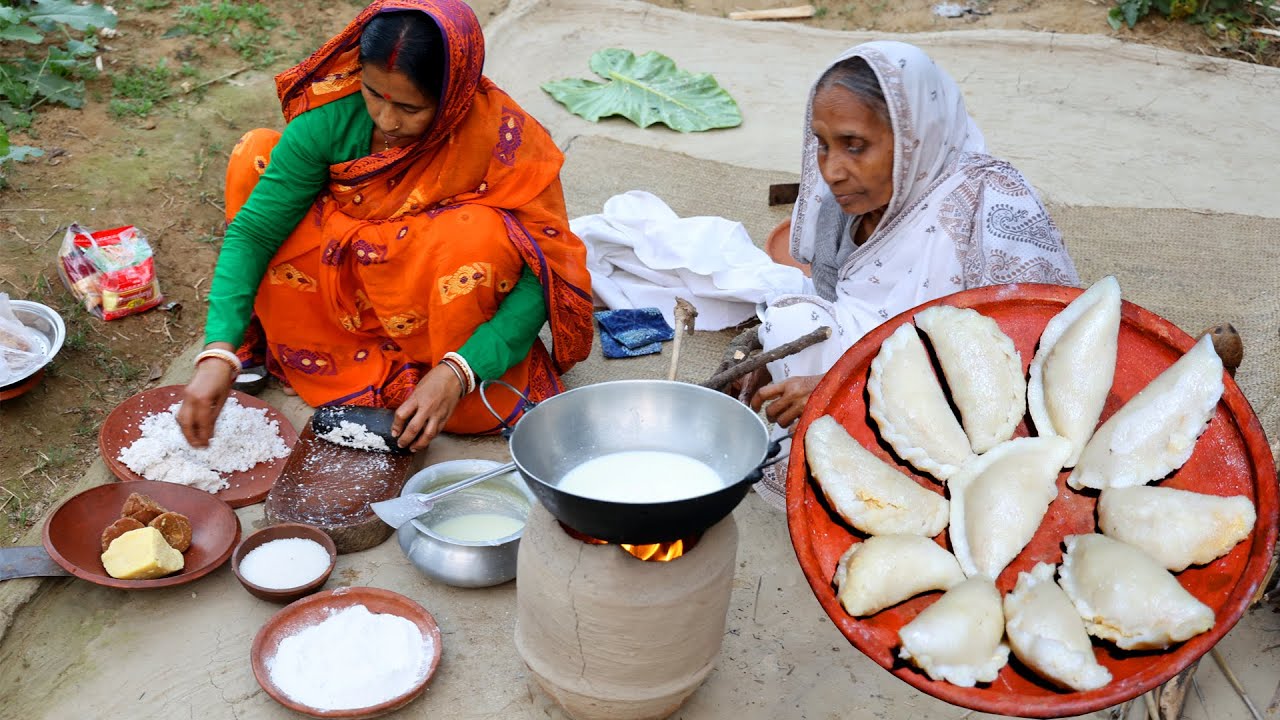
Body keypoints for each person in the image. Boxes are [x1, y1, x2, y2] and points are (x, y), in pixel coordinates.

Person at [177, 0, 593, 452]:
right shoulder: (329, 121)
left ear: (455, 94)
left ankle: (433, 375)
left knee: (479, 233)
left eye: (412, 107)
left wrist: (461, 370)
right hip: (333, 293)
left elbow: (544, 270)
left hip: (431, 311)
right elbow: (255, 232)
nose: (388, 121)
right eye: (374, 94)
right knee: (255, 158)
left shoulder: (503, 142)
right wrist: (218, 349)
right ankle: (305, 354)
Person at [745, 41, 1079, 505]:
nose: (833, 170)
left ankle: (910, 483)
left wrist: (843, 393)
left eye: (855, 145)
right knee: (789, 322)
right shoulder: (840, 205)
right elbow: (837, 307)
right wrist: (772, 365)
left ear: (914, 136)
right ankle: (849, 458)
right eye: (823, 145)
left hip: (968, 402)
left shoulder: (991, 201)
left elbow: (1023, 360)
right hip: (885, 357)